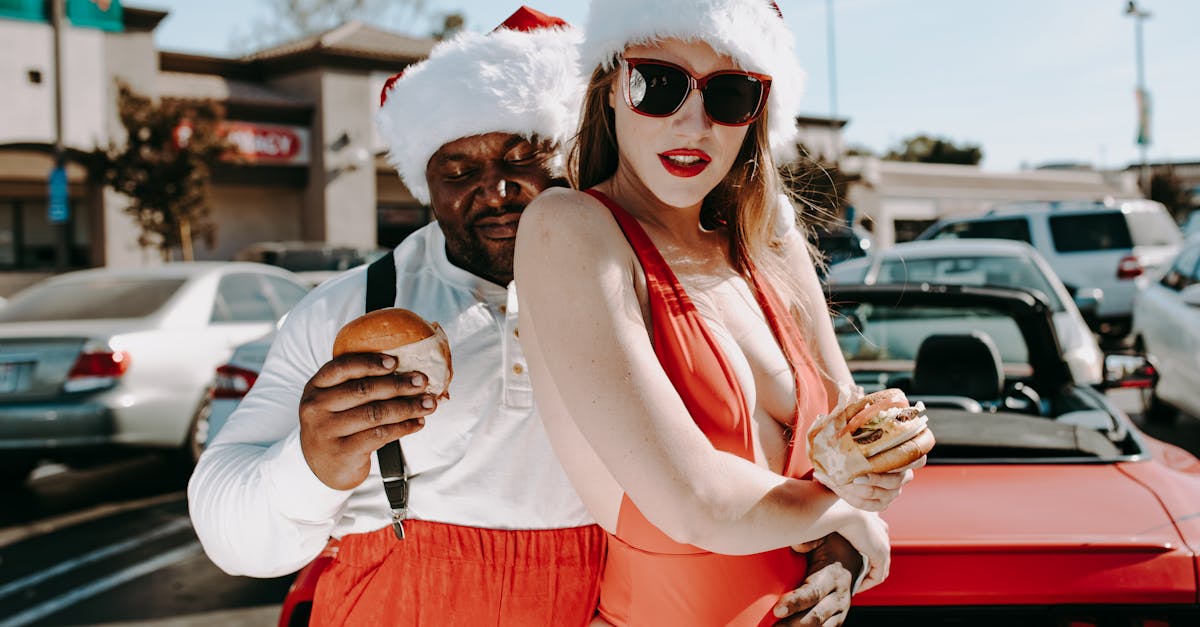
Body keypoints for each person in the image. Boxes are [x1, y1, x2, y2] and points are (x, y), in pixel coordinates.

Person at [188, 6, 864, 626]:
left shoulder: (646, 286)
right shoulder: (353, 309)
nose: (497, 189)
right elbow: (226, 528)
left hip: (586, 602)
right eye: (458, 169)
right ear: (426, 186)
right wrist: (308, 463)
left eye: (522, 157)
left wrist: (837, 532)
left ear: (567, 153)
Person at [513, 1, 924, 625]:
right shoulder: (567, 230)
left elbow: (854, 436)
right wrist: (844, 515)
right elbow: (694, 500)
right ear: (610, 89)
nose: (694, 123)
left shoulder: (767, 241)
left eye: (731, 95)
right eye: (660, 83)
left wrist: (845, 548)